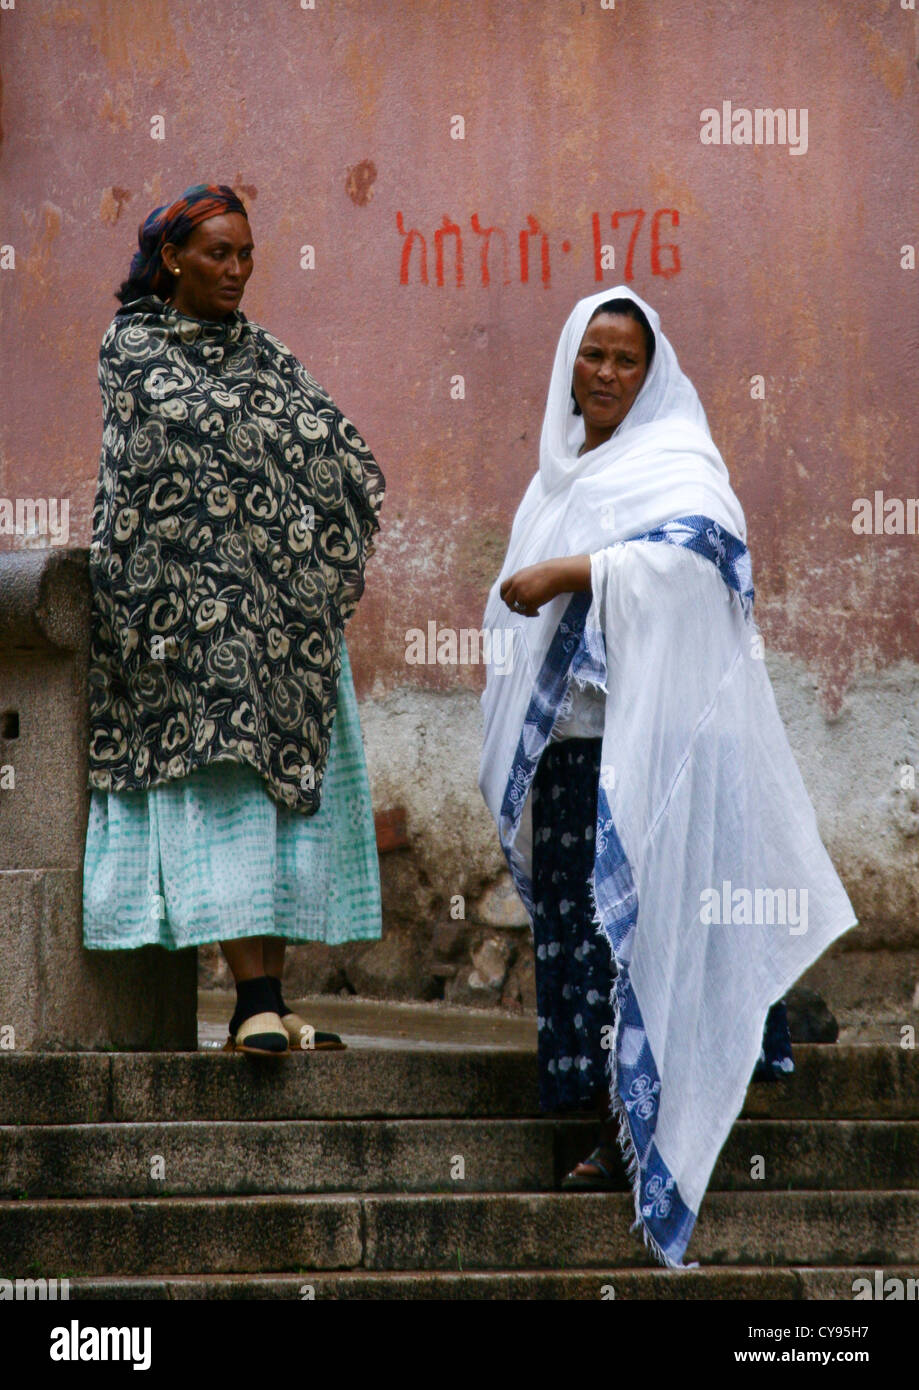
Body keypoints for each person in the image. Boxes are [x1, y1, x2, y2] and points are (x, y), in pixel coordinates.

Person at [478, 286, 857, 1267]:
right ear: (568, 363)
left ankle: (647, 1132)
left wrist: (575, 574)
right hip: (574, 755)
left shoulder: (678, 462)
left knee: (648, 927)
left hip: (654, 751)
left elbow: (701, 563)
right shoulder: (553, 479)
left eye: (624, 359)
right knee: (582, 937)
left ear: (651, 373)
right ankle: (602, 1123)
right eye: (590, 355)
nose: (604, 373)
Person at [83, 184, 385, 1057]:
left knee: (276, 804)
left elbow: (338, 447)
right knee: (222, 803)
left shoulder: (261, 351)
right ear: (172, 257)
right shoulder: (132, 346)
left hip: (275, 626)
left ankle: (272, 1000)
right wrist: (285, 456)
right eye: (219, 253)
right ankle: (250, 999)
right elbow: (208, 435)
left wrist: (294, 502)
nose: (237, 270)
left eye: (247, 254)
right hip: (180, 631)